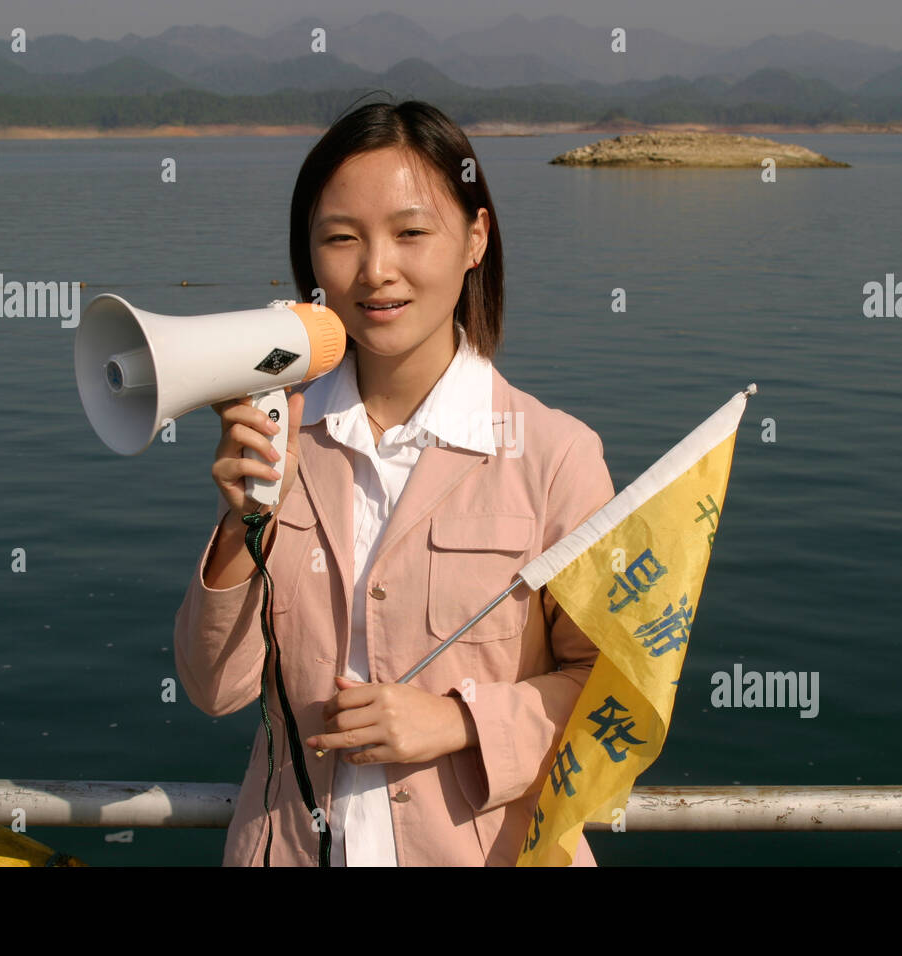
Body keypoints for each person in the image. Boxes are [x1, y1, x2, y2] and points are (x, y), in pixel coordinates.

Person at [173, 99, 615, 866]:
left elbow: (612, 689)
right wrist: (243, 526)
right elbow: (216, 690)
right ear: (310, 260)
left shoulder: (555, 457)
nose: (376, 269)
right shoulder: (282, 438)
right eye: (341, 238)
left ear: (476, 238)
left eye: (412, 232)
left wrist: (460, 721)